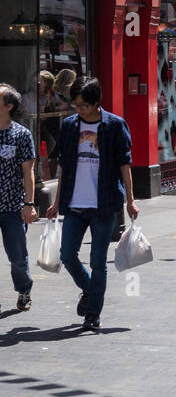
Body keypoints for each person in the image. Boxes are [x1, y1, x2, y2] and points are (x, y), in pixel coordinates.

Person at [46, 77, 138, 332]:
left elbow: (124, 164)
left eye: (84, 105)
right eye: (76, 105)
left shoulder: (115, 126)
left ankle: (93, 314)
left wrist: (130, 200)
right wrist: (56, 201)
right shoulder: (69, 126)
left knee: (98, 261)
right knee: (67, 254)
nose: (79, 109)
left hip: (104, 204)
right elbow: (64, 164)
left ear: (97, 103)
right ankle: (90, 290)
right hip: (74, 204)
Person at [0, 84, 37, 312]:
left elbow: (28, 172)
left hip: (13, 206)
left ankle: (24, 290)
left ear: (9, 106)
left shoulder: (21, 135)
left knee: (17, 256)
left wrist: (29, 204)